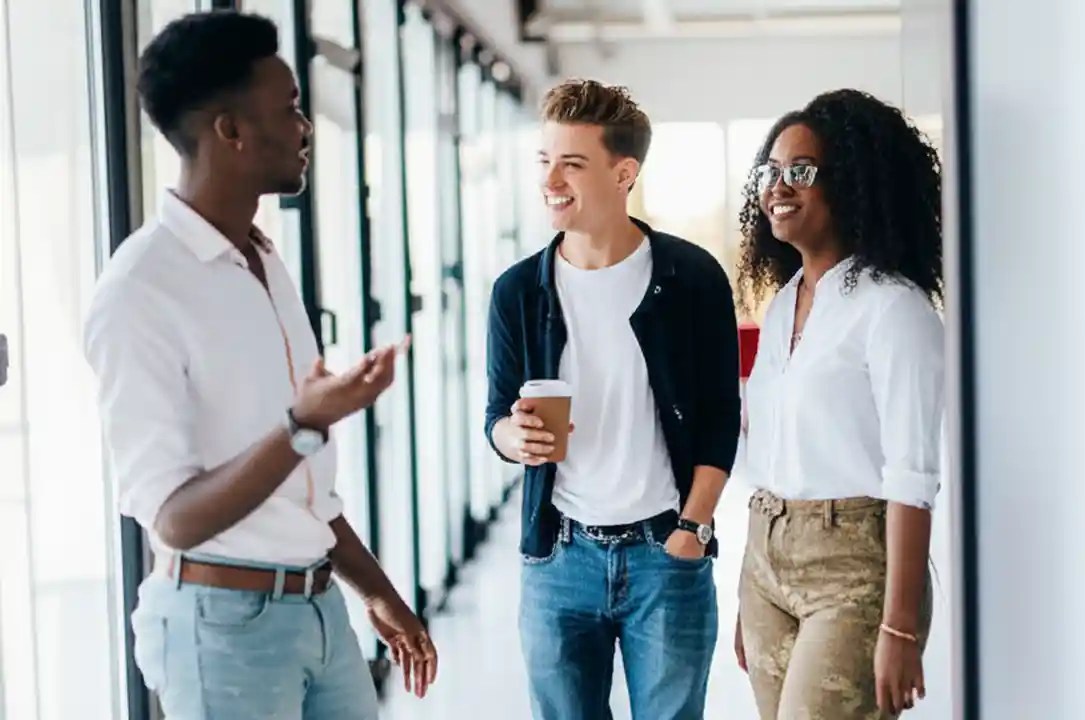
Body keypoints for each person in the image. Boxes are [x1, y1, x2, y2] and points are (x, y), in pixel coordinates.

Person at [83, 11, 436, 718]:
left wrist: (378, 591)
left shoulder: (262, 261)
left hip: (318, 610)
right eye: (291, 108)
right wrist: (304, 425)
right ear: (231, 132)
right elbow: (175, 519)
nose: (306, 128)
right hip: (223, 629)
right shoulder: (140, 290)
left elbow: (296, 495)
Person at [484, 78, 741, 720]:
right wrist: (509, 438)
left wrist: (693, 528)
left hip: (666, 556)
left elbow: (720, 419)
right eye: (544, 161)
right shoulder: (518, 292)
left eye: (572, 164)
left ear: (624, 172)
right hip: (558, 561)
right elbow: (495, 416)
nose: (551, 181)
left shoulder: (692, 278)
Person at [732, 89, 945, 719]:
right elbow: (771, 453)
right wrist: (751, 586)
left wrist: (900, 627)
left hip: (854, 570)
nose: (779, 186)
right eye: (771, 172)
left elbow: (913, 477)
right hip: (766, 558)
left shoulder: (893, 308)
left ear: (849, 183)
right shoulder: (781, 305)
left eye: (801, 171)